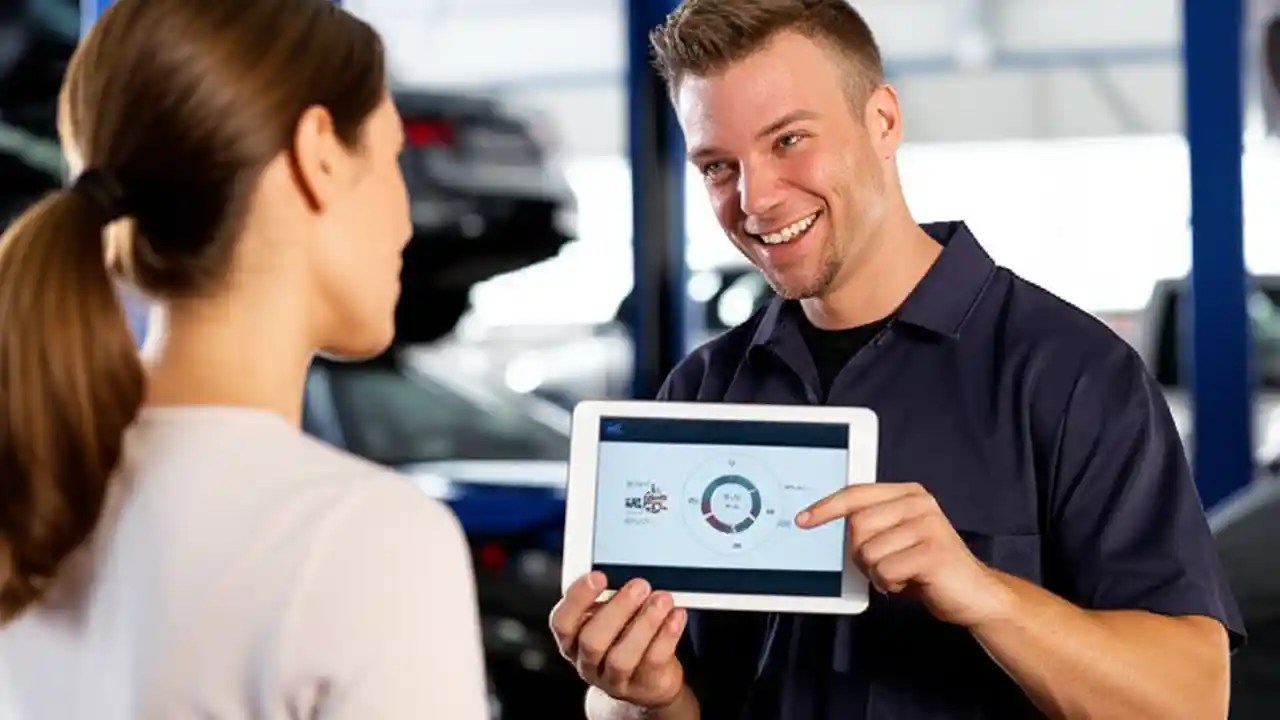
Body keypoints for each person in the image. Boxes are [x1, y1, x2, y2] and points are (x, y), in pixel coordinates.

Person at [550, 1, 1245, 718]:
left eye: (788, 140)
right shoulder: (701, 390)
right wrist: (647, 696)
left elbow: (1190, 701)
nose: (754, 200)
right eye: (718, 166)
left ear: (882, 120)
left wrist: (985, 593)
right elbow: (655, 703)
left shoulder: (1071, 375)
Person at [0, 1, 488, 718]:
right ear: (319, 154)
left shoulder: (32, 491)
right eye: (392, 156)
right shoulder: (365, 537)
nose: (407, 221)